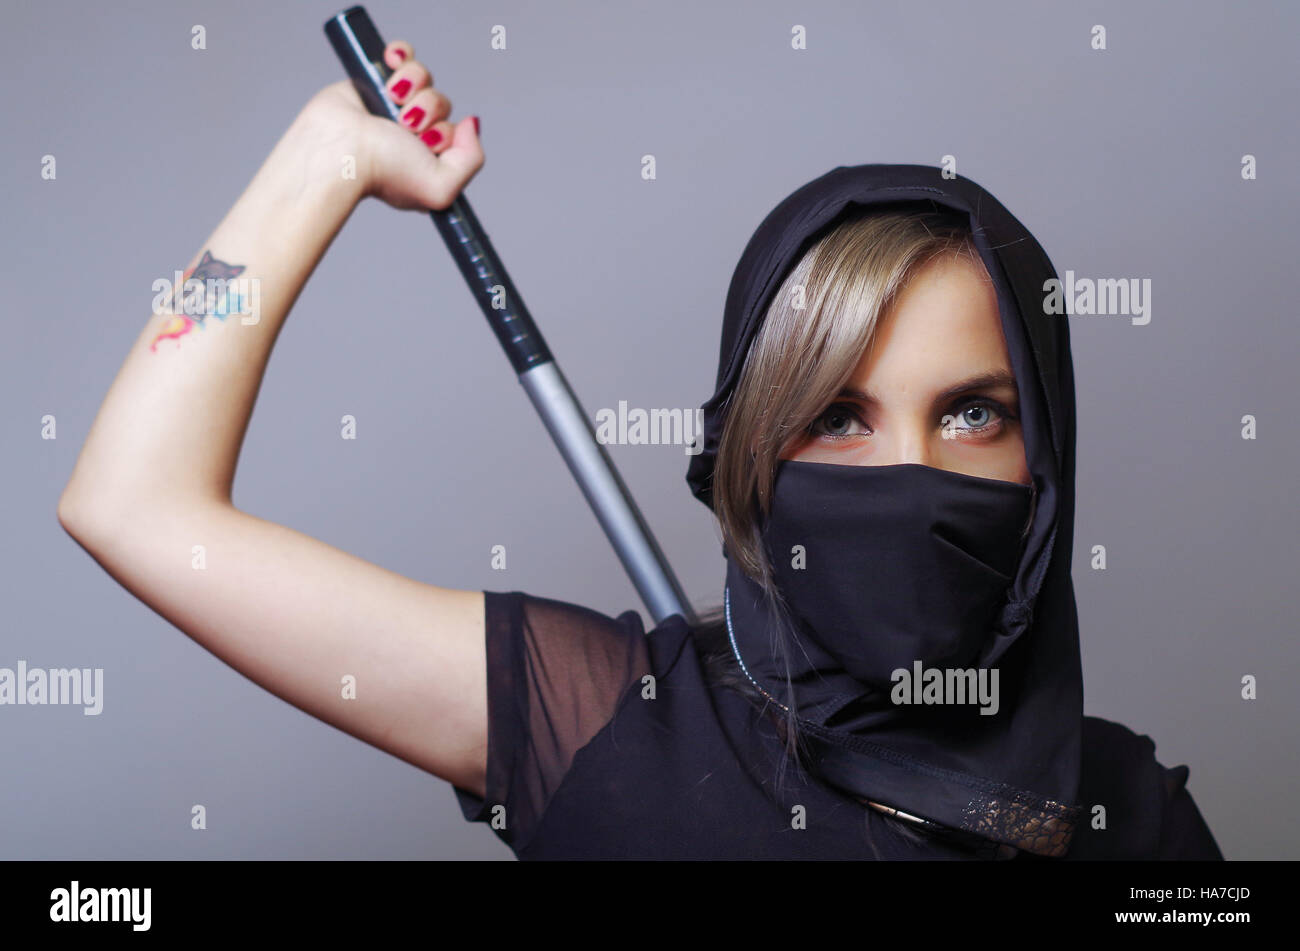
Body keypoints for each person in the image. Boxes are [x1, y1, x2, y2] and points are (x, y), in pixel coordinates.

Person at [58, 39, 1221, 861]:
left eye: (971, 412)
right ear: (755, 455)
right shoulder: (608, 723)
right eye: (837, 415)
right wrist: (324, 162)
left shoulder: (1134, 815)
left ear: (1043, 458)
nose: (908, 476)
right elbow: (132, 502)